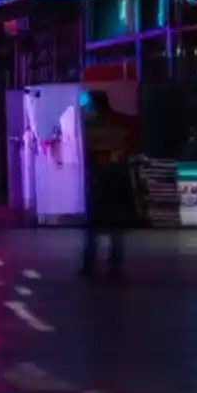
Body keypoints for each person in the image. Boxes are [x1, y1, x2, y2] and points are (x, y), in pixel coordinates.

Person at [80, 90, 135, 276]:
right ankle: (115, 262)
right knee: (116, 223)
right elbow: (129, 147)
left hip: (100, 178)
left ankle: (90, 262)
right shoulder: (122, 122)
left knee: (95, 224)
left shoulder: (91, 126)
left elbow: (88, 151)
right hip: (118, 176)